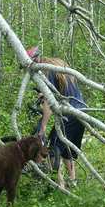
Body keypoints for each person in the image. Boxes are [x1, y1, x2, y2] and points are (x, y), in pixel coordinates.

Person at [27, 46, 87, 189]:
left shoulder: (45, 73)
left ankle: (60, 185)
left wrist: (42, 127)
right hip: (83, 111)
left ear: (34, 61)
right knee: (68, 150)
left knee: (54, 149)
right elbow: (62, 91)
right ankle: (73, 182)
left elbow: (47, 105)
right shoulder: (57, 65)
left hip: (69, 113)